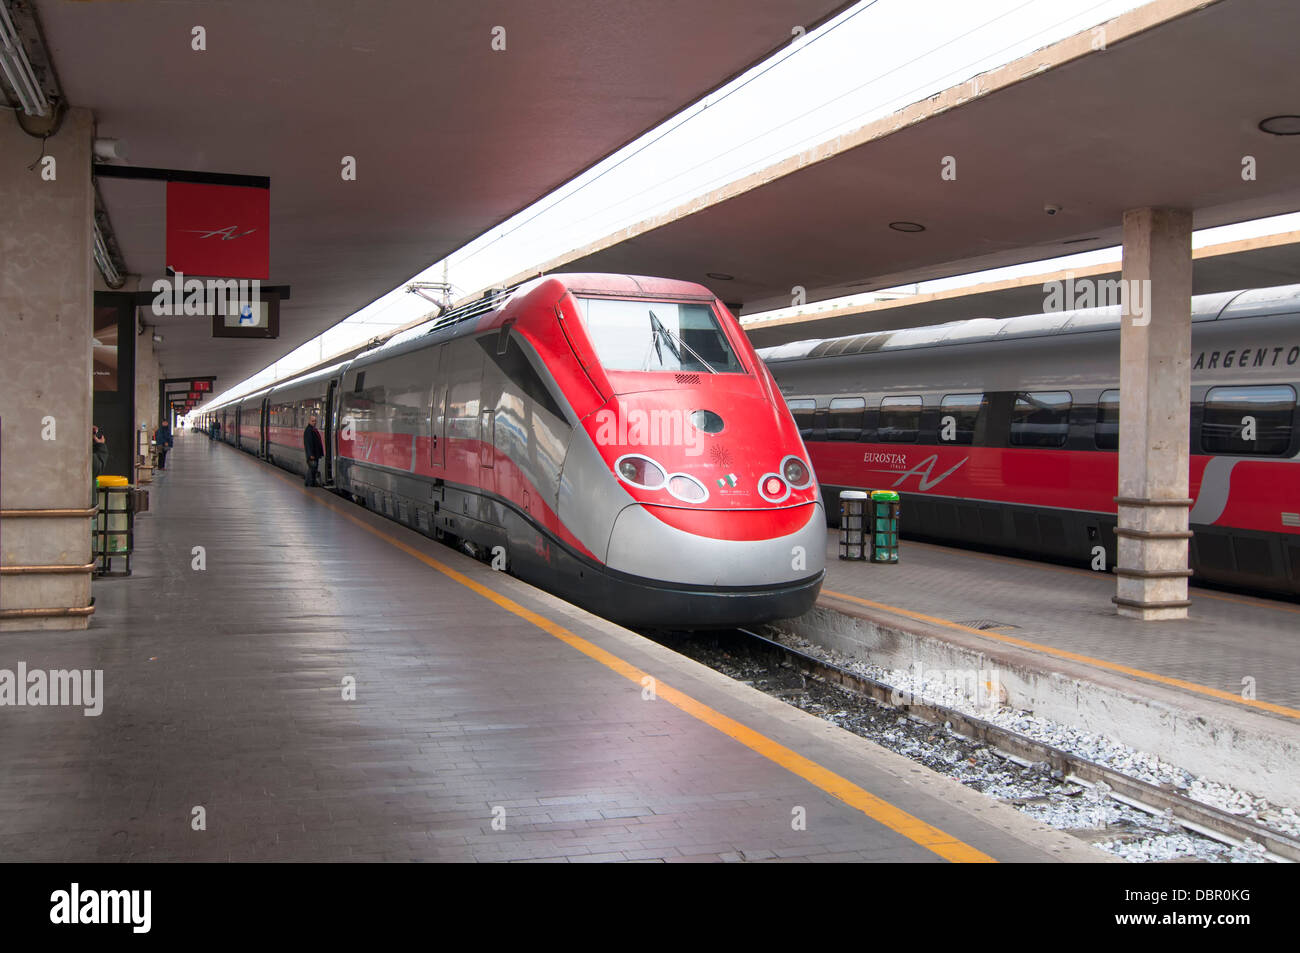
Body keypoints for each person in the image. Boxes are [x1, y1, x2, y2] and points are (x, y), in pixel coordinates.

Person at [303, 413, 324, 487]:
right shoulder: (309, 430)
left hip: (315, 453)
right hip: (312, 454)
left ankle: (310, 482)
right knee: (312, 468)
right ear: (309, 421)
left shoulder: (313, 429)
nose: (314, 422)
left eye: (315, 421)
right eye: (312, 421)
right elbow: (308, 444)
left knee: (313, 468)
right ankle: (310, 483)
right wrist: (310, 454)